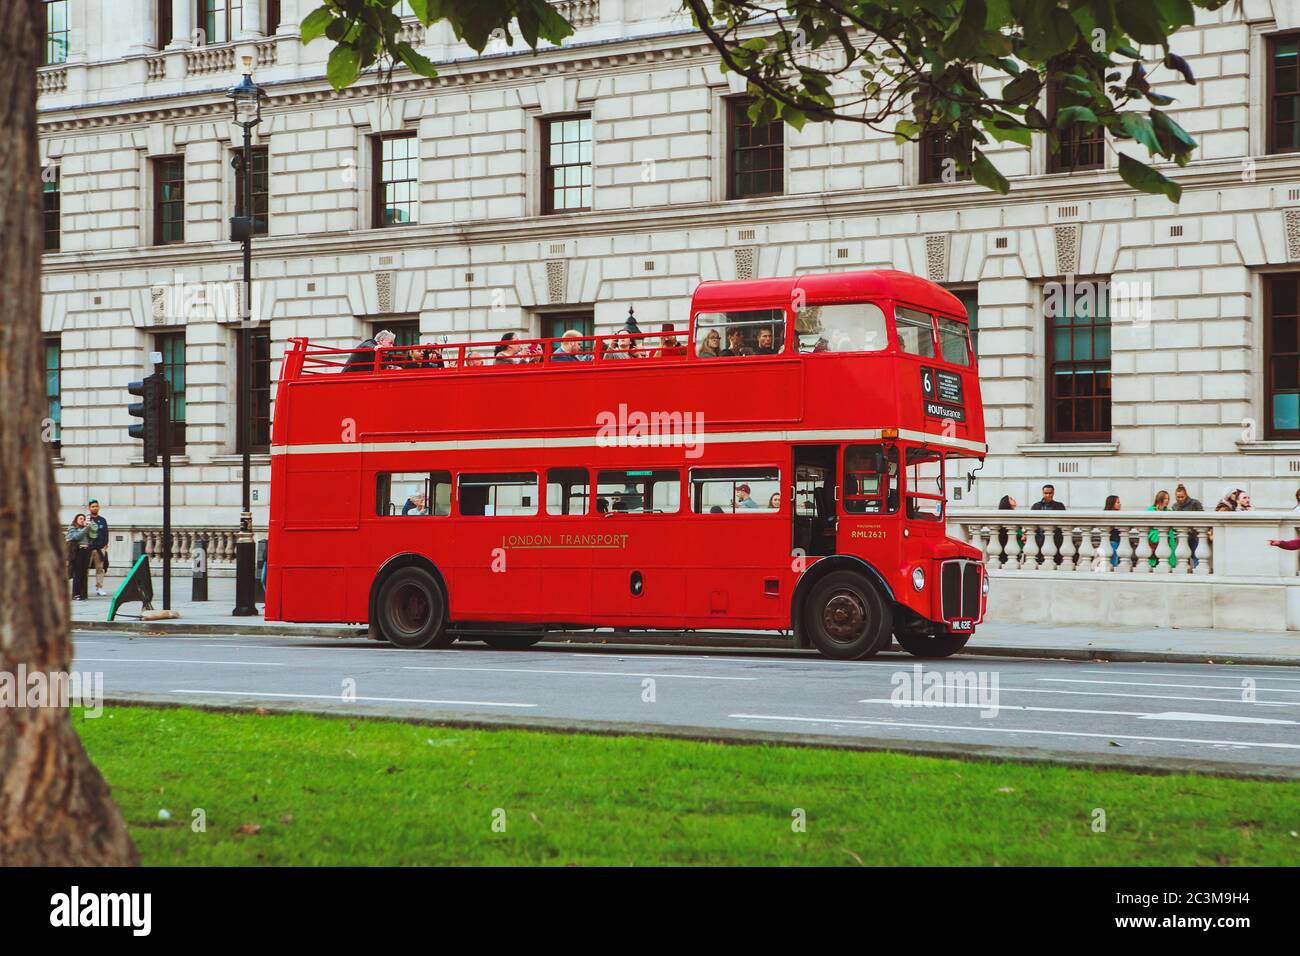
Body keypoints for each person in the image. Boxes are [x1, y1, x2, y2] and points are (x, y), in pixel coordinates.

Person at [1031, 484, 1065, 564]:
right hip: (1039, 538)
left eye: (1050, 493)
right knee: (1039, 560)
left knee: (1055, 561)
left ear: (1053, 493)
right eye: (1046, 493)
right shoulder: (1036, 506)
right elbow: (1032, 523)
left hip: (1055, 538)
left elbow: (1063, 523)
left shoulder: (1059, 506)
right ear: (1042, 493)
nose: (1048, 495)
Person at [1147, 490, 1176, 569]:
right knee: (1155, 563)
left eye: (1168, 499)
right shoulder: (1151, 510)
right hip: (1155, 540)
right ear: (1159, 499)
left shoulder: (1169, 511)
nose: (1166, 501)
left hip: (1168, 540)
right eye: (1164, 498)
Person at [87, 498, 110, 596]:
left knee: (100, 569)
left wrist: (105, 545)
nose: (95, 508)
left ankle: (99, 587)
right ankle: (83, 588)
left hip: (100, 549)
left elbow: (106, 533)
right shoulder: (86, 519)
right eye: (93, 506)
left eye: (96, 506)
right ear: (89, 508)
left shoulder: (102, 520)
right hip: (88, 548)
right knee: (84, 569)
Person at [66, 514, 91, 601]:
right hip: (77, 552)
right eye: (80, 519)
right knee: (78, 573)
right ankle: (76, 594)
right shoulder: (72, 528)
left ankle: (83, 593)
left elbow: (93, 537)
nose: (82, 520)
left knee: (84, 573)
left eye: (83, 519)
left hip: (86, 552)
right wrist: (86, 528)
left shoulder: (87, 529)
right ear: (76, 519)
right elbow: (76, 537)